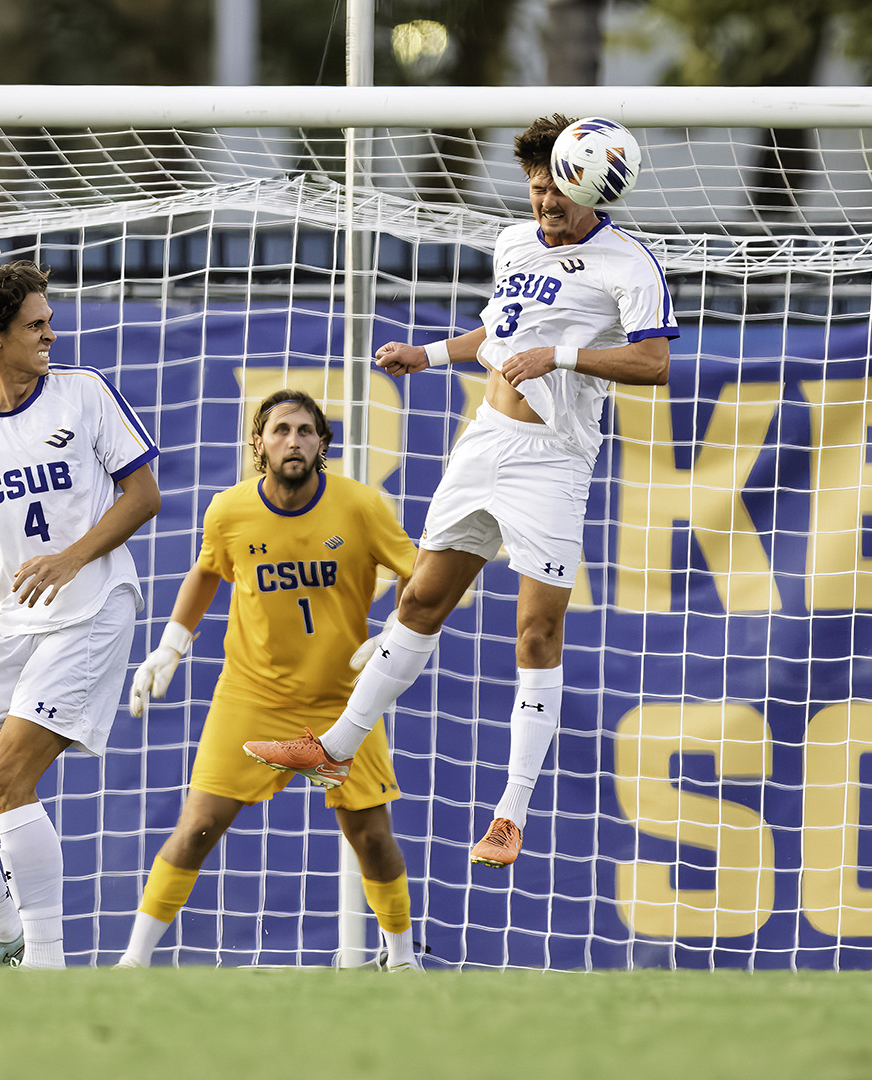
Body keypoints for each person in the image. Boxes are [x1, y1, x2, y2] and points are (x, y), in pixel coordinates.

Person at [245, 114, 676, 870]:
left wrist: (562, 357)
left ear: (593, 189)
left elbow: (653, 363)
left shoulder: (628, 264)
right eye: (537, 187)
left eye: (560, 191)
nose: (547, 202)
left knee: (535, 632)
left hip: (553, 460)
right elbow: (498, 335)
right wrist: (430, 354)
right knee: (420, 599)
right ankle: (336, 748)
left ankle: (511, 815)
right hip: (483, 441)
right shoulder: (514, 243)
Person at [0, 260, 160, 969]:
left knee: (7, 778)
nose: (52, 333)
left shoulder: (84, 394)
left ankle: (45, 964)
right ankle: (1, 932)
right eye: (36, 325)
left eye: (48, 321)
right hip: (19, 619)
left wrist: (72, 557)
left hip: (94, 605)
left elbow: (144, 497)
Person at [119, 390, 418, 969]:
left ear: (323, 443)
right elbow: (207, 571)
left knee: (372, 836)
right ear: (258, 443)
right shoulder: (229, 511)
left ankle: (403, 962)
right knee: (198, 826)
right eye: (281, 430)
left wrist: (395, 634)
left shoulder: (361, 506)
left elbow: (418, 572)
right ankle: (132, 963)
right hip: (252, 695)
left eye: (306, 431)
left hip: (343, 700)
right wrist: (170, 646)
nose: (293, 441)